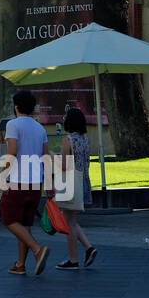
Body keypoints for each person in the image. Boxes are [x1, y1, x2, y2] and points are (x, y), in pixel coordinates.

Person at [2, 89, 50, 276]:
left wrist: (3, 174)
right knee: (24, 222)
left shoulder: (13, 125)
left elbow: (12, 151)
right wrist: (48, 183)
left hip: (18, 179)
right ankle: (21, 263)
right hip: (36, 181)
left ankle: (38, 250)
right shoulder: (40, 128)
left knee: (9, 219)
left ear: (16, 107)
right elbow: (45, 157)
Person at [57, 107, 97, 269]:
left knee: (68, 223)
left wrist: (54, 157)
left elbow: (65, 165)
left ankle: (74, 259)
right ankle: (88, 248)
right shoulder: (84, 139)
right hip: (83, 181)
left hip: (70, 183)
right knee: (71, 220)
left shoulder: (68, 140)